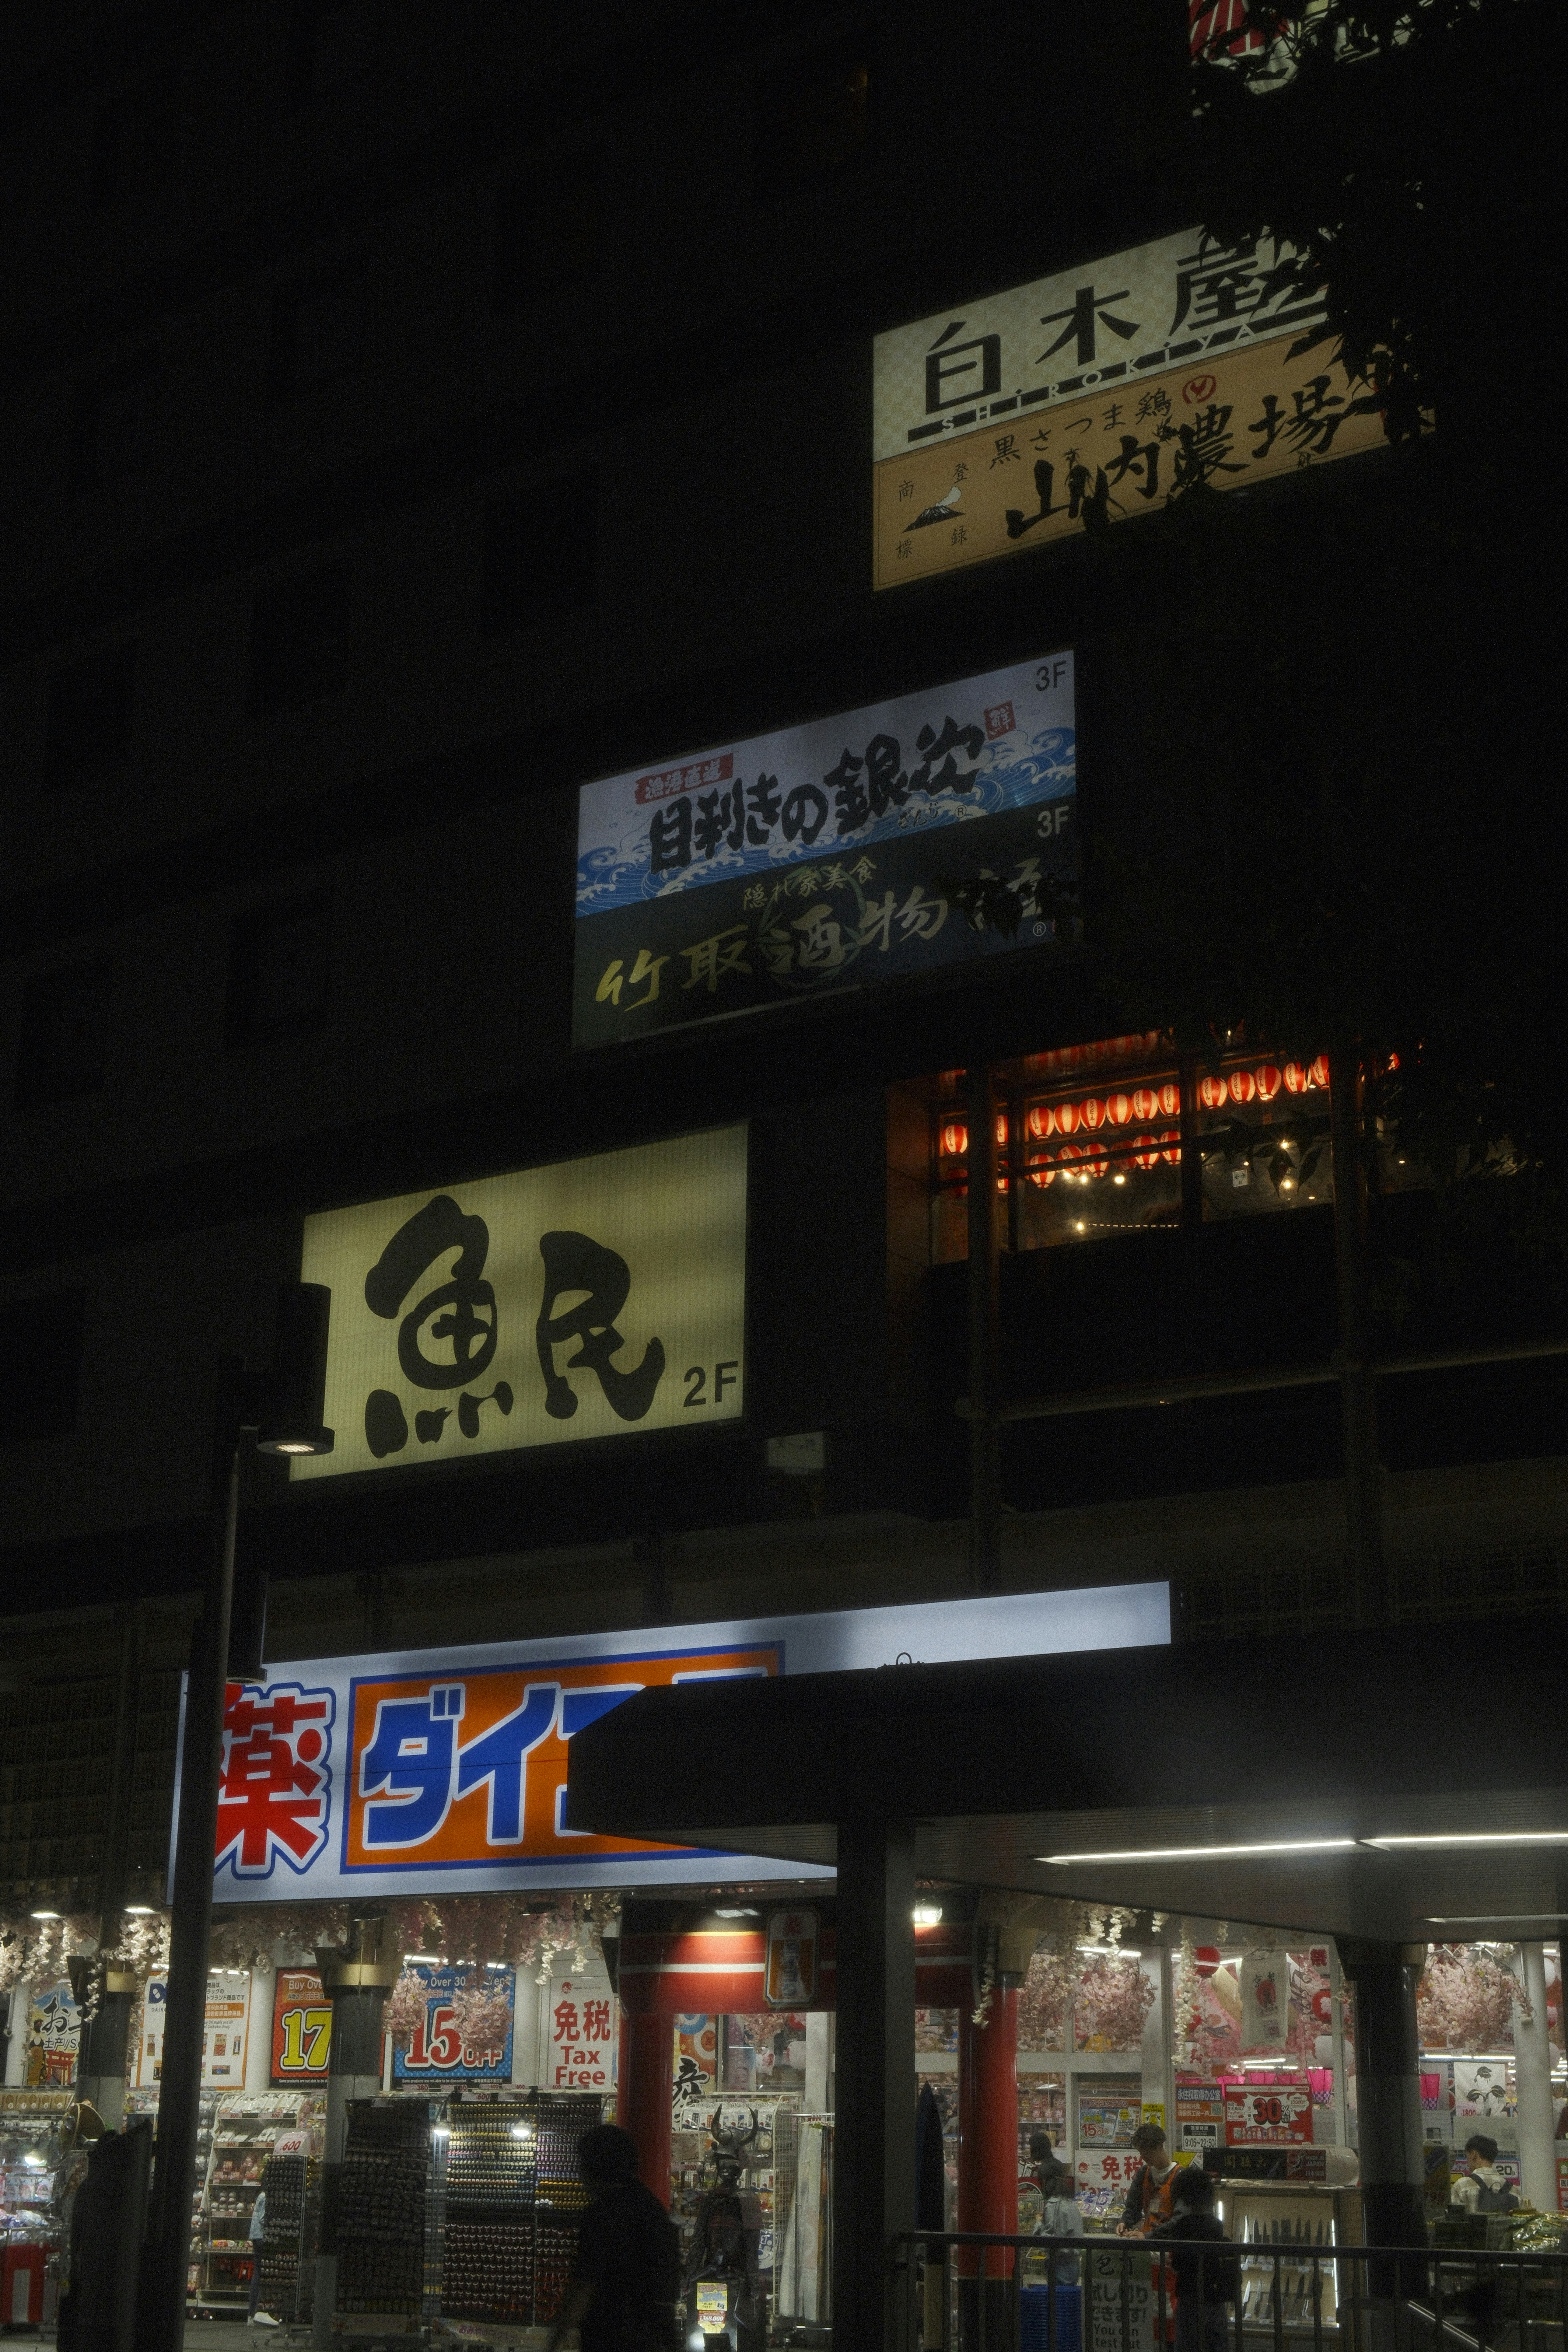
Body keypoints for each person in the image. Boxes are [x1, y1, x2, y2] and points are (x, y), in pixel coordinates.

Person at [549, 2123, 681, 2352]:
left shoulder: (602, 2213)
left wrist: (556, 2338)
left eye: (583, 2163)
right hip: (659, 2333)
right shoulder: (651, 2206)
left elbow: (585, 2286)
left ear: (594, 2166)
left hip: (615, 2333)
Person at [1150, 2167, 1235, 2352]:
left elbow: (1179, 2263)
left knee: (1188, 2342)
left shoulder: (1183, 2225)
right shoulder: (1216, 2225)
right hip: (1215, 2294)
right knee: (1217, 2342)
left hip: (1190, 2293)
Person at [1118, 2123, 1180, 2236]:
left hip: (1171, 2244)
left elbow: (1180, 2221)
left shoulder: (1180, 2177)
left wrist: (1149, 2236)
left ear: (1160, 2146)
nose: (1144, 2157)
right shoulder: (1143, 2173)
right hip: (1147, 2243)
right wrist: (1124, 2222)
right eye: (1141, 2153)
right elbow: (1133, 2209)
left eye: (1148, 2153)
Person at [1034, 2159, 1084, 2285]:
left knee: (1057, 2303)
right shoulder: (1071, 2204)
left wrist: (1039, 2223)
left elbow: (1048, 2239)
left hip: (1060, 2267)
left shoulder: (1053, 2204)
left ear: (1044, 2181)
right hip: (1074, 2265)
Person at [1451, 2134, 1518, 2214]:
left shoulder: (1462, 2185)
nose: (1467, 2161)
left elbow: (1453, 2222)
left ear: (1473, 2154)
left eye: (1467, 2156)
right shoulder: (1514, 2190)